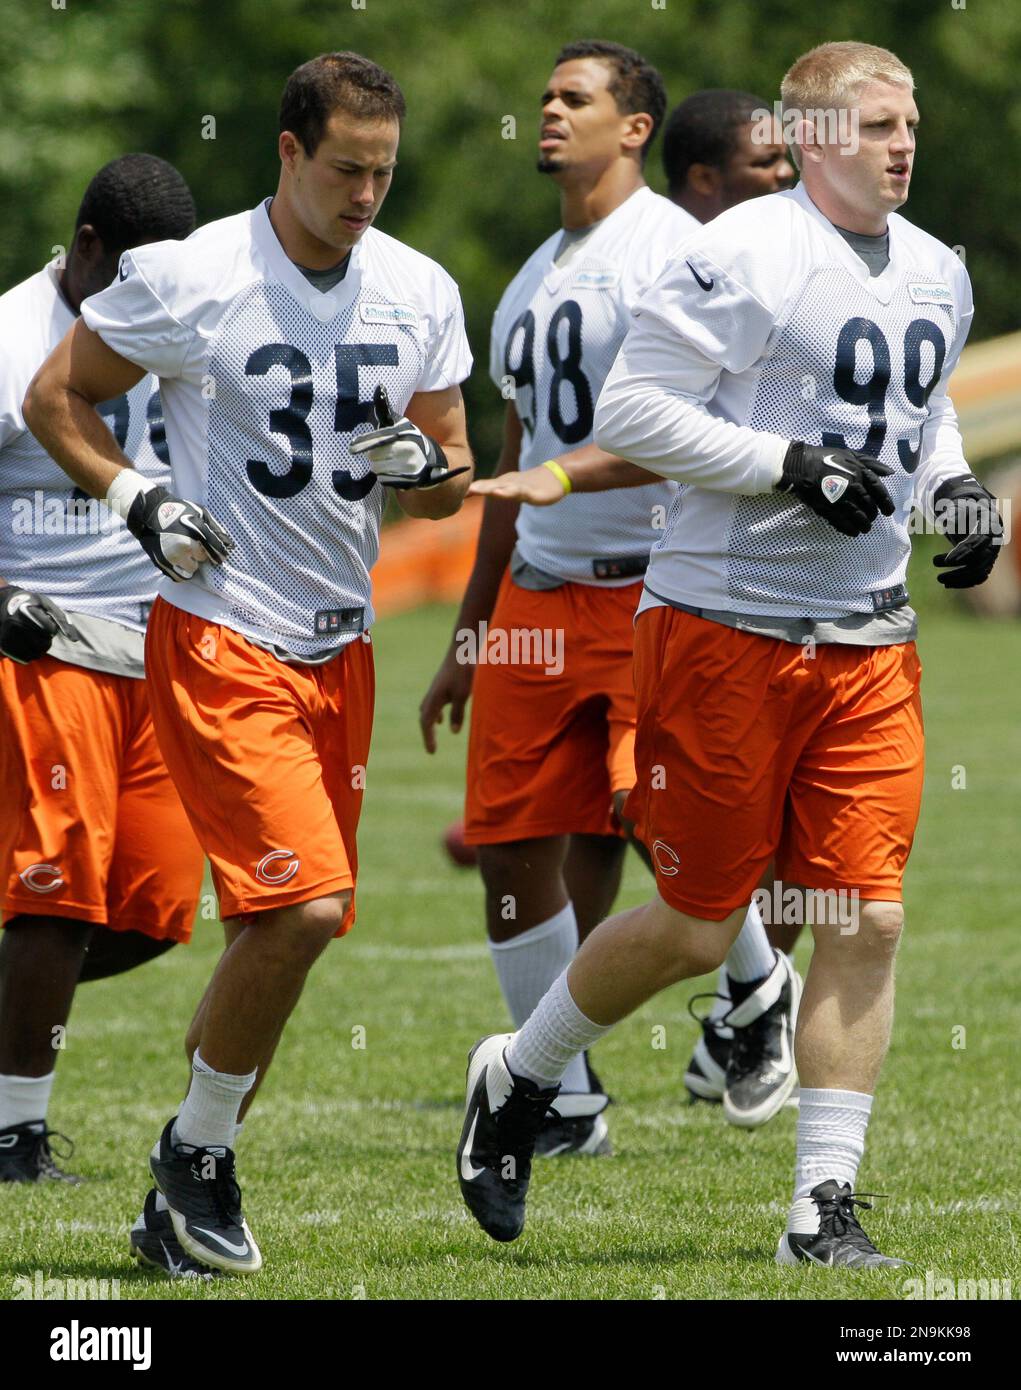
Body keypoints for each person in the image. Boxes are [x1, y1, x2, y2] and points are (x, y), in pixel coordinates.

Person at [455, 40, 1002, 1264]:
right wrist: (785, 465)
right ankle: (522, 1071)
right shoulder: (746, 249)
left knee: (865, 916)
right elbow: (633, 412)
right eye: (873, 125)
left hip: (867, 640)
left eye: (908, 121)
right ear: (810, 140)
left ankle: (820, 1204)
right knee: (702, 923)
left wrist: (958, 496)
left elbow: (927, 412)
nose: (902, 143)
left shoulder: (934, 266)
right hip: (723, 627)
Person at [24, 51, 474, 1276]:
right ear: (287, 151)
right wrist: (137, 496)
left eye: (383, 172)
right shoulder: (194, 274)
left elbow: (450, 479)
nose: (366, 194)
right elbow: (56, 398)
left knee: (283, 933)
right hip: (221, 631)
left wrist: (421, 472)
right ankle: (197, 1155)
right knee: (305, 903)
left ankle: (181, 1177)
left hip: (344, 649)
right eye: (344, 169)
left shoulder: (419, 288)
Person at [424, 44, 795, 1160]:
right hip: (538, 593)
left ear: (635, 128)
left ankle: (758, 986)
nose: (546, 112)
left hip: (656, 585)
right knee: (506, 848)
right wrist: (470, 629)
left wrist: (569, 479)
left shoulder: (678, 252)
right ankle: (565, 1093)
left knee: (660, 817)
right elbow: (513, 458)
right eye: (543, 96)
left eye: (573, 99)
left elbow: (699, 428)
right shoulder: (536, 271)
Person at [0, 157, 204, 1247]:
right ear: (83, 248)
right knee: (58, 892)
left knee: (157, 904)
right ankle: (14, 1129)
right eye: (126, 273)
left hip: (162, 650)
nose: (142, 296)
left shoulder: (178, 327)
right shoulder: (7, 341)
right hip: (43, 644)